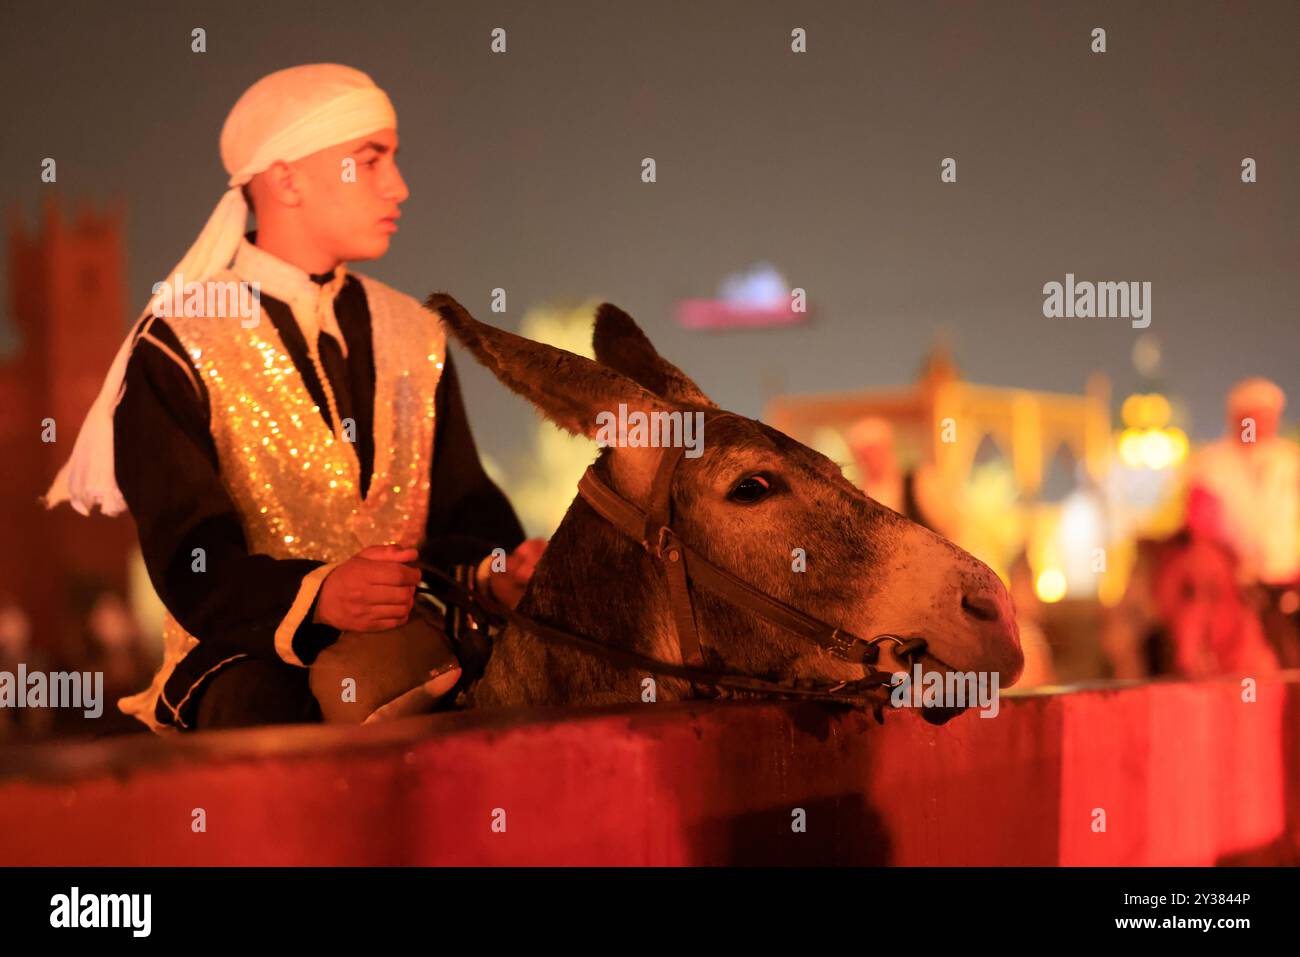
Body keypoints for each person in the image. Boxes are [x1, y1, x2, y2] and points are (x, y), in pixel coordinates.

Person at [41, 64, 545, 732]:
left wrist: (493, 570)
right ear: (285, 179)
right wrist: (320, 595)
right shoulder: (177, 344)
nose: (399, 185)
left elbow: (463, 509)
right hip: (246, 666)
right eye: (370, 161)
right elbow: (191, 555)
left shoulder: (416, 331)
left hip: (420, 647)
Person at [1185, 377, 1300, 665]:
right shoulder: (1211, 465)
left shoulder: (1290, 461)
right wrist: (1234, 565)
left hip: (1287, 580)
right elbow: (1200, 526)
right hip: (1234, 588)